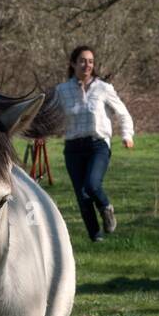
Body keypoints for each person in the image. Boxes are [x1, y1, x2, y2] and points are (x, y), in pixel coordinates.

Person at [53, 46, 135, 242]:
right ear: (73, 64)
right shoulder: (62, 90)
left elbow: (122, 113)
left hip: (98, 145)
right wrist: (39, 132)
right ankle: (95, 236)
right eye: (82, 61)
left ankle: (106, 207)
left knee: (91, 185)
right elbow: (49, 114)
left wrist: (127, 135)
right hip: (73, 148)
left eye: (90, 61)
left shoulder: (103, 88)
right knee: (82, 196)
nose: (87, 65)